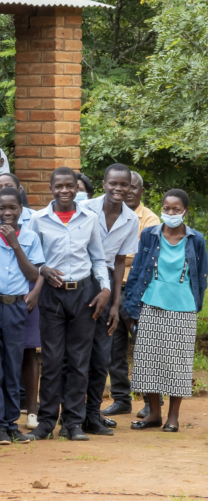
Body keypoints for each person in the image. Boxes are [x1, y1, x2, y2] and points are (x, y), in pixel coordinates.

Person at [27, 167, 111, 442]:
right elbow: (31, 258)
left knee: (79, 361)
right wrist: (43, 269)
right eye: (59, 186)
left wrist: (105, 288)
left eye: (69, 186)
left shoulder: (90, 218)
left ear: (76, 188)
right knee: (52, 361)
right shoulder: (38, 219)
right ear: (50, 188)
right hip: (52, 295)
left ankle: (73, 422)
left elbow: (98, 258)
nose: (64, 190)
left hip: (84, 294)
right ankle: (46, 422)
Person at [121, 190, 205, 433]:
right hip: (150, 304)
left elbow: (201, 276)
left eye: (176, 210)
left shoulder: (196, 239)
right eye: (166, 208)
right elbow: (137, 270)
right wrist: (131, 308)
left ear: (185, 212)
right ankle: (154, 414)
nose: (170, 213)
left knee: (178, 364)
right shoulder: (150, 235)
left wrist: (196, 305)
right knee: (148, 362)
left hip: (183, 308)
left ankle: (173, 417)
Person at [0, 187, 43, 445]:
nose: (7, 213)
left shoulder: (31, 238)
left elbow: (33, 274)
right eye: (2, 208)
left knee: (13, 366)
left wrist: (15, 244)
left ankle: (12, 423)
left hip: (16, 307)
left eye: (12, 207)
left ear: (21, 209)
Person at [80, 164, 137, 436]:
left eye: (124, 184)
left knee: (101, 355)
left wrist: (115, 304)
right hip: (80, 280)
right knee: (76, 353)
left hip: (106, 286)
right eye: (113, 183)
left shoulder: (131, 219)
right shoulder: (85, 208)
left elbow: (119, 262)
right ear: (104, 184)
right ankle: (72, 412)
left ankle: (93, 415)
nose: (118, 188)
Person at [108, 171, 159, 417]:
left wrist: (116, 255)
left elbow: (144, 257)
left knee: (145, 347)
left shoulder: (150, 219)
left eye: (133, 187)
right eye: (126, 187)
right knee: (113, 348)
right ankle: (121, 399)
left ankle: (151, 402)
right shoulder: (109, 213)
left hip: (139, 292)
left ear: (141, 191)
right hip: (111, 290)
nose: (128, 192)